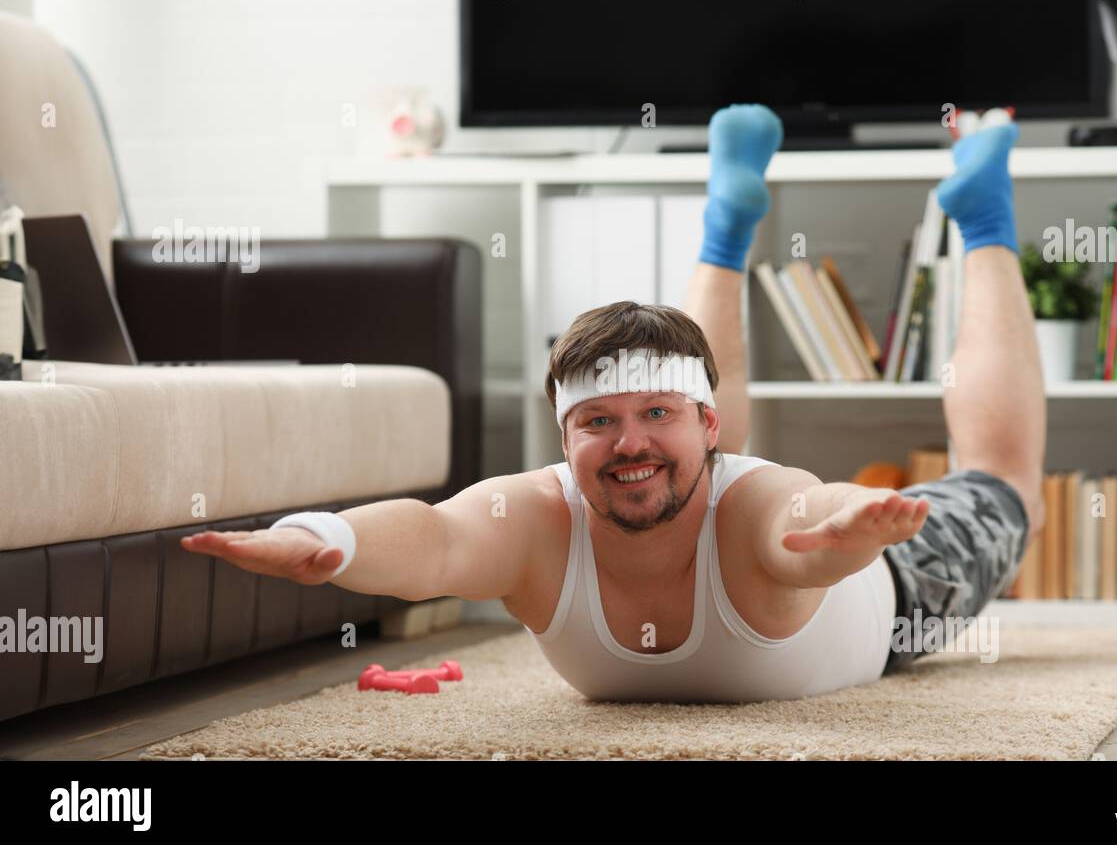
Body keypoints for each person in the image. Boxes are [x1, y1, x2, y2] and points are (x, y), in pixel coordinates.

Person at [181, 104, 1046, 703]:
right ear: (562, 437)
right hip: (792, 516)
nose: (627, 440)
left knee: (1003, 484)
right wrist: (324, 539)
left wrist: (856, 520)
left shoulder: (756, 505)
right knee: (672, 462)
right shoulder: (534, 520)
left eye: (659, 413)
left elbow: (804, 521)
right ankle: (728, 218)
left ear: (711, 426)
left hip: (896, 581)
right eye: (598, 420)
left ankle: (984, 217)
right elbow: (437, 536)